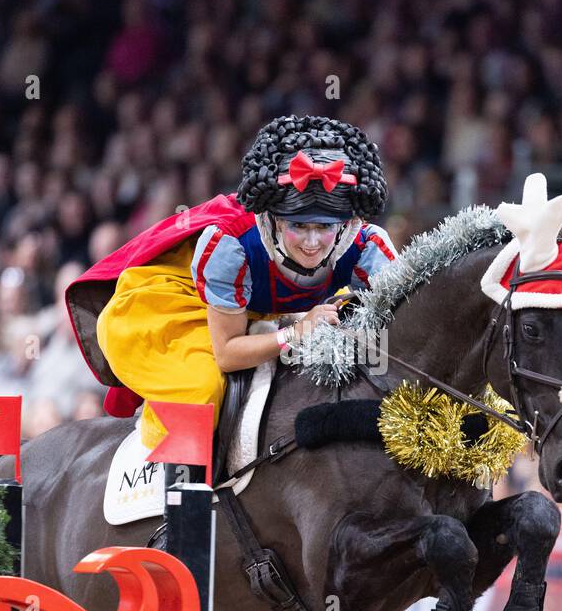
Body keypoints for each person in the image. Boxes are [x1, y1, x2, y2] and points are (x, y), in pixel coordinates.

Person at [65, 116, 397, 449]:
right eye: (298, 225)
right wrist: (296, 332)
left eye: (325, 227)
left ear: (347, 222)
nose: (312, 243)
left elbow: (394, 340)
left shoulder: (367, 246)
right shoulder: (230, 246)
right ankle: (167, 490)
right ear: (273, 217)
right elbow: (226, 352)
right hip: (161, 312)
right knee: (203, 391)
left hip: (250, 317)